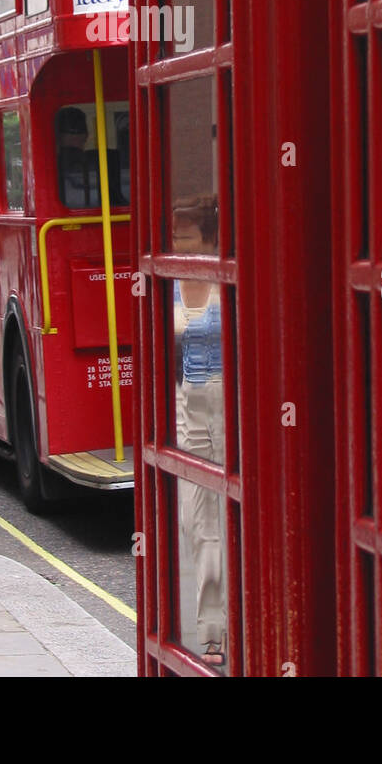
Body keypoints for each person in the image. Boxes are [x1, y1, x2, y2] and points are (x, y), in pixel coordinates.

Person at [172, 195, 225, 667]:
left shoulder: (227, 282)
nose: (178, 246)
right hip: (189, 402)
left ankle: (226, 624)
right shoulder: (168, 282)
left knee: (231, 520)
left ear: (208, 240)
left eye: (186, 238)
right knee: (197, 523)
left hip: (231, 403)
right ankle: (213, 628)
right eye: (174, 238)